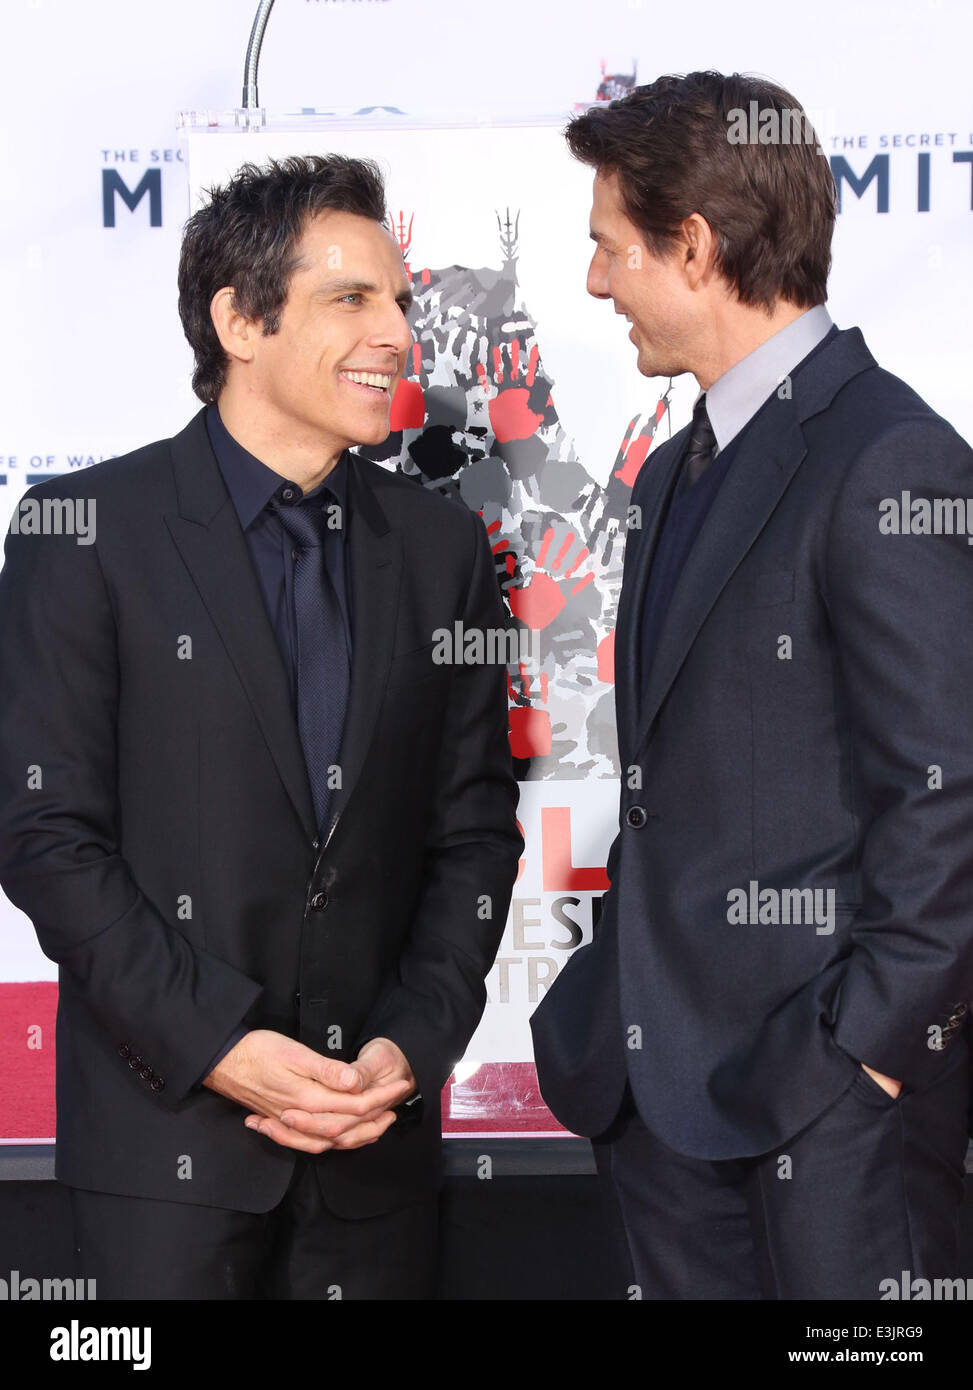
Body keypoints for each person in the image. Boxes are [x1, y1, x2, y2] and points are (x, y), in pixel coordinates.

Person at [0, 153, 522, 1300]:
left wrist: (406, 1049)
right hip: (161, 1168)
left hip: (370, 1161)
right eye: (353, 298)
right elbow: (47, 834)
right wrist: (223, 1047)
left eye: (399, 300)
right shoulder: (86, 531)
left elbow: (474, 832)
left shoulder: (439, 554)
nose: (397, 332)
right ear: (239, 320)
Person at [530, 71, 973, 1300]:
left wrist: (864, 1057)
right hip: (661, 1105)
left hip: (827, 1117)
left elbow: (950, 794)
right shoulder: (673, 470)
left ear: (695, 245)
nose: (592, 281)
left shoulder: (890, 455)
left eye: (609, 247)